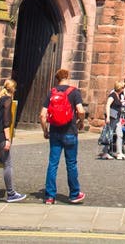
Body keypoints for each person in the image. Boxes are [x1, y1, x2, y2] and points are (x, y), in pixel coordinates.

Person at [40, 68, 85, 205]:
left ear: (57, 79)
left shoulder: (52, 92)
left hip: (55, 133)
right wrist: (80, 122)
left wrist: (45, 131)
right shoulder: (74, 92)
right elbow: (81, 110)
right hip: (70, 132)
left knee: (53, 164)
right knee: (71, 164)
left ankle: (49, 196)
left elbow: (42, 115)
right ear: (67, 77)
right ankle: (74, 194)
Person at [102, 81, 125, 160]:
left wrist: (123, 102)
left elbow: (117, 105)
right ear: (120, 88)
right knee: (109, 135)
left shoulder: (118, 95)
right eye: (123, 87)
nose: (123, 89)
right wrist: (108, 117)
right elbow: (108, 105)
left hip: (117, 118)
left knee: (120, 135)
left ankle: (119, 153)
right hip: (112, 118)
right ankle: (105, 153)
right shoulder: (112, 95)